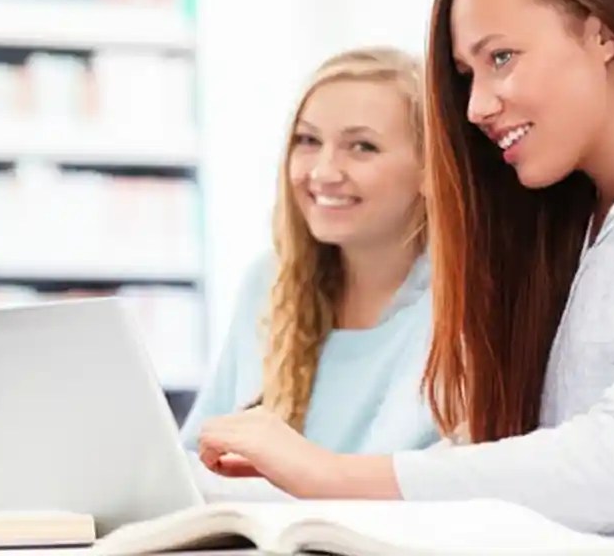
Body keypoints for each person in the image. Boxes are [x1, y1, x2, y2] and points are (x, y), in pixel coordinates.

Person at [195, 0, 614, 546]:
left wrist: (330, 474)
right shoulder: (576, 227)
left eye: (503, 57)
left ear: (603, 34)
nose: (479, 106)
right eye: (467, 75)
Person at [180, 47, 438, 460]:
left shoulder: (461, 308)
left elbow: (406, 483)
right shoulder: (267, 282)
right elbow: (193, 456)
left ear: (432, 168)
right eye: (308, 141)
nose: (323, 172)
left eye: (362, 147)